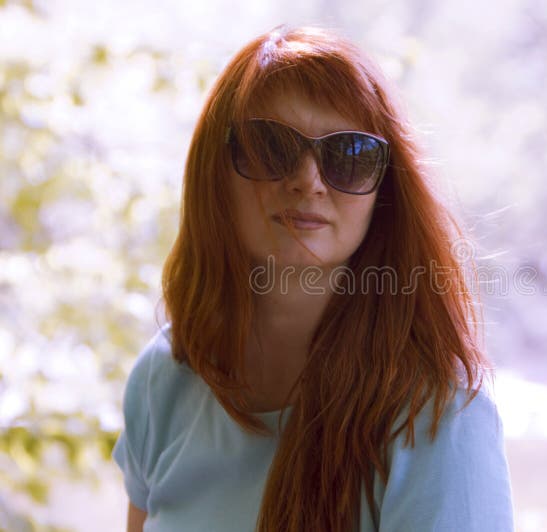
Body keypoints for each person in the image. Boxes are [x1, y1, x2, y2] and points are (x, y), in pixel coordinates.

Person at [111, 23, 515, 532]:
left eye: (349, 154)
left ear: (383, 195)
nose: (308, 180)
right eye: (271, 147)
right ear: (216, 172)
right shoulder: (165, 378)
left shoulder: (439, 416)